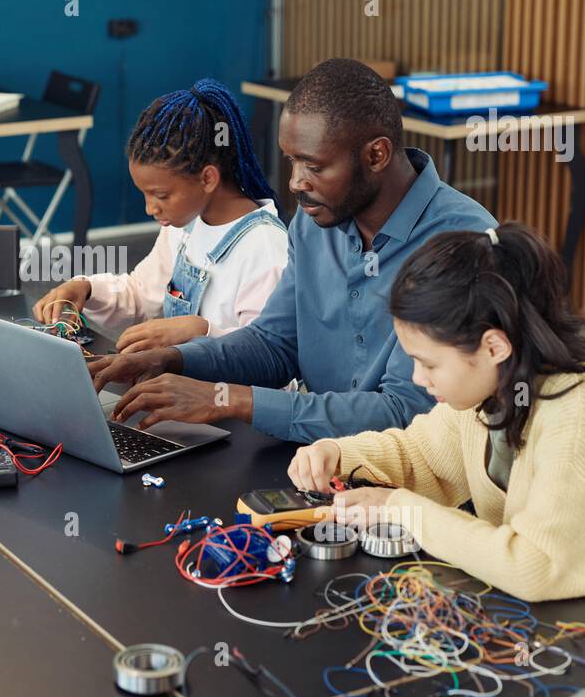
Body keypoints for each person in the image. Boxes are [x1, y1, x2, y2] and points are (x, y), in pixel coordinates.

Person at [291, 223, 585, 647]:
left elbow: (539, 567)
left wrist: (403, 510)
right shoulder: (491, 386)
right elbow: (422, 457)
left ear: (494, 347)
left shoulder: (577, 411)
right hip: (546, 622)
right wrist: (338, 453)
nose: (417, 378)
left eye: (429, 363)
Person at [89, 57, 495, 442]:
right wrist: (174, 358)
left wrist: (229, 399)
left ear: (376, 154)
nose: (295, 183)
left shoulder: (464, 241)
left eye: (313, 166)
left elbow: (405, 414)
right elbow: (275, 344)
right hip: (319, 457)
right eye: (291, 162)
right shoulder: (316, 221)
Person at [32, 78, 286, 353]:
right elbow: (144, 294)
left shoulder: (265, 249)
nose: (149, 208)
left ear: (208, 178)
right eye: (145, 194)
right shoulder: (184, 224)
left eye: (161, 195)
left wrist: (201, 330)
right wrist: (86, 288)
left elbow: (267, 355)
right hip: (182, 376)